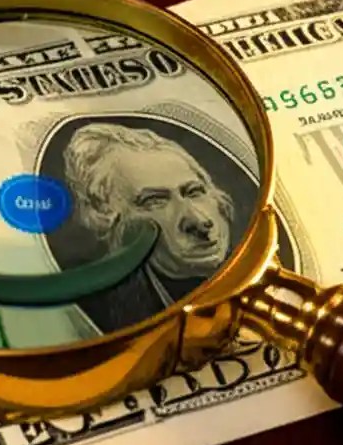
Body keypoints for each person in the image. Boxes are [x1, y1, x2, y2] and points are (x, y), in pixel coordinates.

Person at [61, 122, 238, 331]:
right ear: (106, 215)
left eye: (194, 192)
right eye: (155, 201)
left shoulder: (255, 256)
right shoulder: (91, 306)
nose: (199, 221)